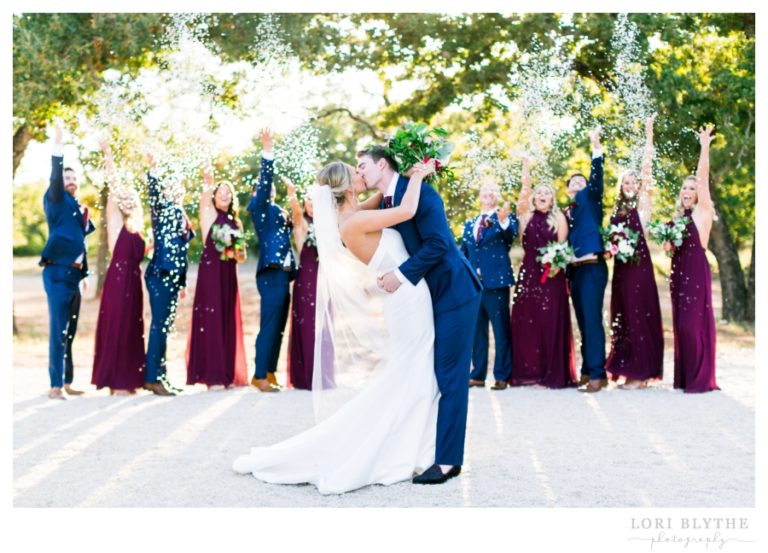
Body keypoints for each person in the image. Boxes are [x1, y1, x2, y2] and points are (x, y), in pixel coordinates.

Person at [234, 161, 438, 494]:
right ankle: (405, 446)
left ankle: (414, 440)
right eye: (357, 173)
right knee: (414, 368)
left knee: (415, 368)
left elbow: (387, 197)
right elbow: (406, 209)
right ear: (346, 186)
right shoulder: (352, 223)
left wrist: (395, 176)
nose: (363, 175)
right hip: (406, 298)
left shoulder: (357, 212)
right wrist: (417, 174)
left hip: (406, 294)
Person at [357, 145, 483, 485]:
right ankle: (426, 448)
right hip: (430, 296)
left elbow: (438, 244)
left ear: (382, 164)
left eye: (363, 165)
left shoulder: (423, 195)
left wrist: (398, 276)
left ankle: (448, 461)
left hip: (455, 293)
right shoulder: (387, 200)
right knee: (429, 370)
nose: (360, 172)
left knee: (450, 375)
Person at [605, 116, 664, 389]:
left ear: (639, 186)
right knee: (624, 314)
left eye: (634, 182)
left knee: (639, 313)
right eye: (626, 182)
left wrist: (649, 134)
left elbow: (648, 169)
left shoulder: (643, 207)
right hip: (620, 270)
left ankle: (640, 372)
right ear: (621, 186)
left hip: (639, 269)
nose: (630, 185)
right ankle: (628, 367)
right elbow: (609, 239)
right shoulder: (615, 212)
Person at [508, 155, 575, 388]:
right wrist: (525, 166)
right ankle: (529, 371)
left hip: (552, 276)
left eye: (546, 193)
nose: (541, 196)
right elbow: (524, 192)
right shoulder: (525, 217)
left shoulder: (558, 218)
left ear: (552, 198)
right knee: (526, 320)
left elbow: (563, 248)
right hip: (528, 274)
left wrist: (556, 263)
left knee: (550, 321)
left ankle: (551, 372)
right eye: (538, 194)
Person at [40, 123, 96, 400]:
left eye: (74, 177)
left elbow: (81, 243)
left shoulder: (78, 208)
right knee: (58, 328)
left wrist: (84, 275)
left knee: (70, 330)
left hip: (74, 276)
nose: (70, 180)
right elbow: (55, 175)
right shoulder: (56, 200)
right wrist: (58, 145)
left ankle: (67, 380)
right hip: (57, 273)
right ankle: (55, 385)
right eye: (66, 177)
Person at [91, 139, 151, 395]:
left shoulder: (137, 229)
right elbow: (114, 187)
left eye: (131, 198)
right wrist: (108, 154)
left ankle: (131, 379)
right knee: (117, 325)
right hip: (117, 282)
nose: (126, 200)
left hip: (134, 283)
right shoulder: (115, 222)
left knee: (132, 327)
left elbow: (145, 253)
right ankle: (116, 382)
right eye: (122, 198)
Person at [186, 159, 248, 390]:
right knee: (212, 319)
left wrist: (235, 250)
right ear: (213, 197)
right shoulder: (209, 215)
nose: (224, 194)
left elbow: (241, 256)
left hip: (229, 274)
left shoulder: (236, 222)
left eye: (228, 192)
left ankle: (227, 373)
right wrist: (207, 169)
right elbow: (207, 186)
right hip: (211, 273)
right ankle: (212, 375)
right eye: (220, 191)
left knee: (227, 319)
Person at [667, 124, 719, 393]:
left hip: (697, 271)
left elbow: (702, 176)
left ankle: (700, 378)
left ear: (698, 193)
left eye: (692, 188)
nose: (688, 191)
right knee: (680, 323)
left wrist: (704, 147)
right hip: (678, 272)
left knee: (692, 324)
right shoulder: (676, 219)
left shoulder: (703, 212)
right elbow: (669, 248)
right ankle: (685, 377)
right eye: (684, 188)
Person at [248, 130, 297, 392]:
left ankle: (269, 370)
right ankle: (258, 375)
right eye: (261, 187)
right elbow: (265, 183)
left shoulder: (278, 211)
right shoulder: (260, 208)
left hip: (284, 273)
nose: (266, 188)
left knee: (279, 325)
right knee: (269, 324)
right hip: (271, 273)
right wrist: (268, 152)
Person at [144, 154, 195, 396]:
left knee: (165, 326)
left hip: (174, 279)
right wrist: (153, 170)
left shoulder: (181, 214)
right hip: (160, 275)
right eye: (169, 186)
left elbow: (182, 251)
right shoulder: (162, 208)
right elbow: (153, 196)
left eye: (178, 186)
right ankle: (153, 377)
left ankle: (161, 375)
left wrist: (182, 281)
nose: (174, 190)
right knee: (159, 326)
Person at [460, 179, 518, 390]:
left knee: (501, 330)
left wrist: (503, 221)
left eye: (494, 190)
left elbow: (510, 235)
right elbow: (463, 254)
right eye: (485, 189)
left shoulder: (505, 219)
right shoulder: (470, 223)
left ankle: (502, 375)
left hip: (496, 284)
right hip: (474, 286)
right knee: (477, 331)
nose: (489, 193)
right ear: (480, 195)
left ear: (499, 196)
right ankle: (477, 374)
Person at [565, 128, 609, 393]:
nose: (579, 185)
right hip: (574, 271)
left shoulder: (590, 199)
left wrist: (596, 146)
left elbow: (596, 178)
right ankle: (586, 370)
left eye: (582, 182)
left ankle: (597, 374)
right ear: (568, 189)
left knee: (592, 320)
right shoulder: (566, 210)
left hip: (592, 267)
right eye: (574, 183)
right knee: (582, 320)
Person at [283, 180, 331, 390]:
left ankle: (324, 374)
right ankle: (307, 376)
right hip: (307, 281)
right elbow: (295, 212)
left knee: (324, 325)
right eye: (308, 199)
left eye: (315, 199)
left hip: (325, 279)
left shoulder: (329, 225)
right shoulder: (302, 225)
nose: (311, 202)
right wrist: (292, 193)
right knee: (308, 324)